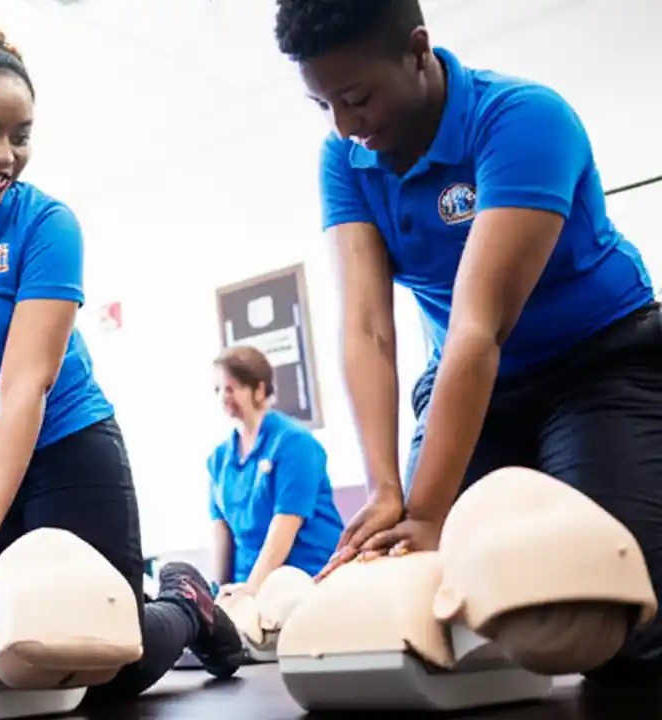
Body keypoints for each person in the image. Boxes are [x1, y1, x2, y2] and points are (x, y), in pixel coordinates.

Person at [0, 20, 245, 702]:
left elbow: (25, 387)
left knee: (99, 660)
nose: (5, 154)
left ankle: (185, 601)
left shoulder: (46, 225)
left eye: (21, 134)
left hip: (64, 446)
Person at [275, 0, 662, 684]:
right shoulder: (346, 158)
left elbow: (480, 323)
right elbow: (367, 328)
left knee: (614, 611)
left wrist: (428, 511)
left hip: (598, 364)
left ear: (418, 51)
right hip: (467, 382)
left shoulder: (523, 119)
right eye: (321, 105)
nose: (343, 125)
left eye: (357, 98)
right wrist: (388, 490)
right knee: (418, 593)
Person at [208, 346, 343, 593]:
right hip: (247, 584)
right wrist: (217, 595)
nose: (223, 397)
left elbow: (284, 526)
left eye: (231, 388)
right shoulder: (219, 459)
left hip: (306, 580)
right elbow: (222, 531)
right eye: (218, 390)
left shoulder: (295, 444)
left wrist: (253, 590)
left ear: (259, 390)